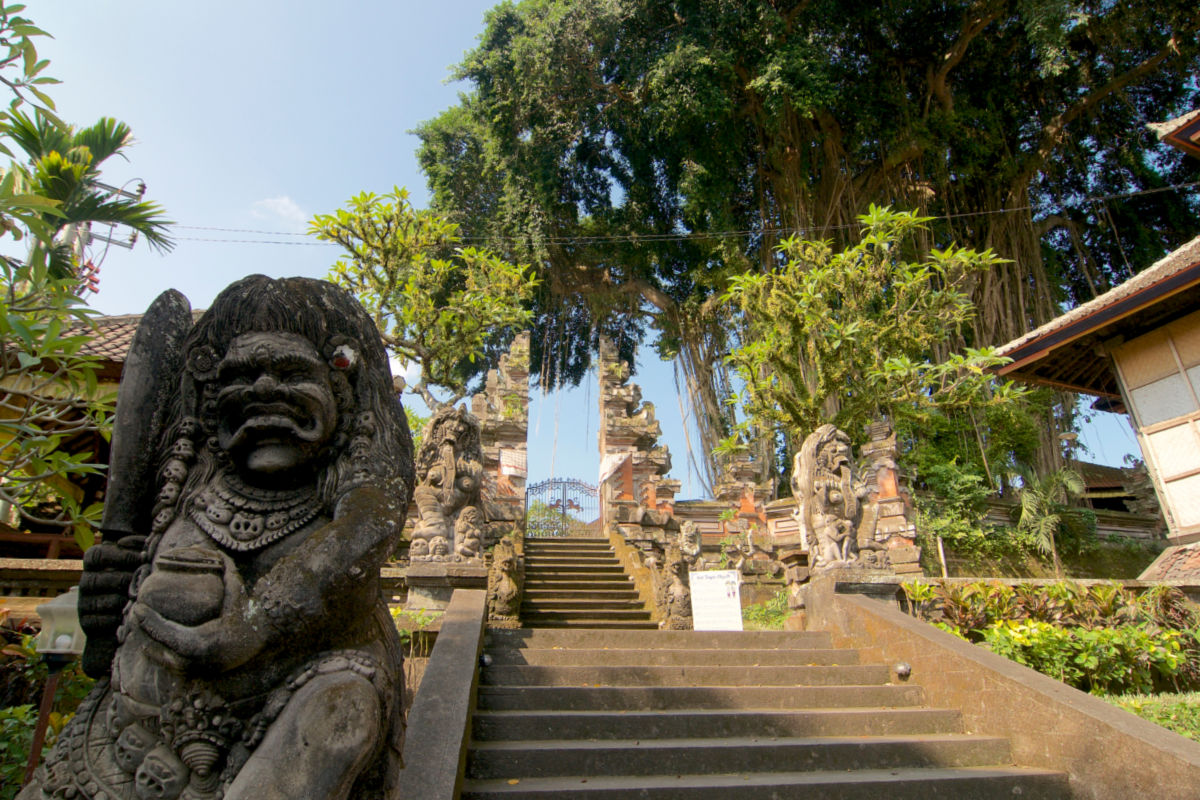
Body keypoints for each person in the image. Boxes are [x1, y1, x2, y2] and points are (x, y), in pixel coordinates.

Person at [23, 276, 415, 800]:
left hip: (304, 698)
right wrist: (113, 588)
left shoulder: (354, 493)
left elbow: (363, 533)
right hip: (127, 734)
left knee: (342, 712)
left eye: (292, 372)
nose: (263, 390)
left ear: (341, 387)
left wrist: (251, 628)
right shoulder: (191, 484)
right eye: (243, 375)